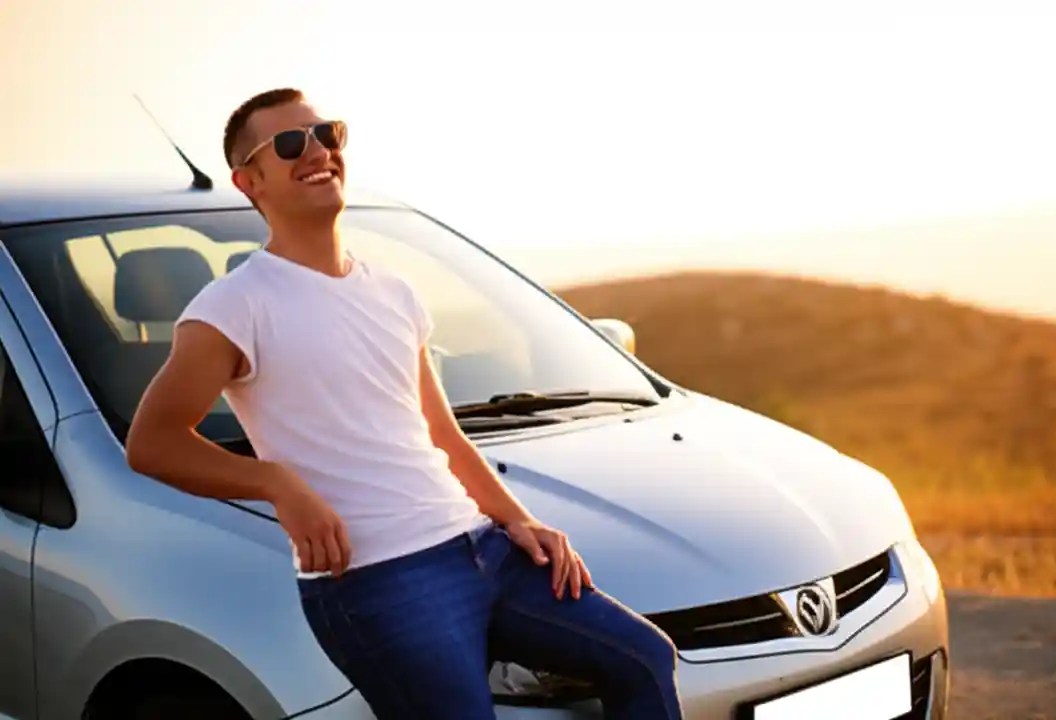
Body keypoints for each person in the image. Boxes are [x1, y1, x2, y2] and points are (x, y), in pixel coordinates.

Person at [125, 88, 684, 720]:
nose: (317, 153)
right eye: (289, 144)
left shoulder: (393, 291)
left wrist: (517, 520)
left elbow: (440, 435)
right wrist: (276, 483)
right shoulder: (234, 306)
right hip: (378, 580)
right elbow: (152, 444)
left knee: (642, 656)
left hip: (481, 551)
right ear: (250, 180)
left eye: (327, 134)